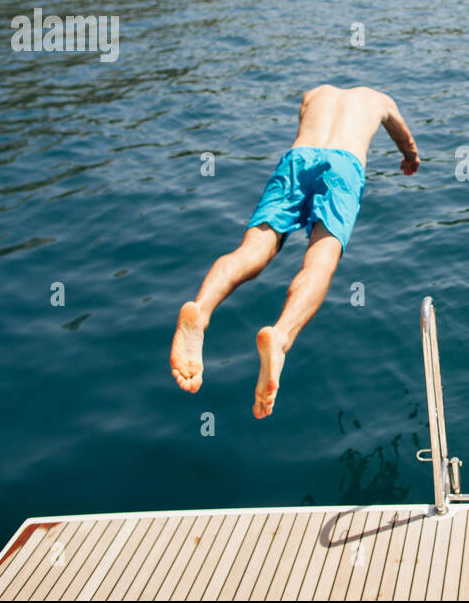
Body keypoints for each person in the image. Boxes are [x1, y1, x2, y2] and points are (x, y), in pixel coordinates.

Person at [170, 85, 420, 418]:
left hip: (296, 159)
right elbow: (406, 141)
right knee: (320, 262)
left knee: (253, 250)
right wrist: (410, 158)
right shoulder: (381, 101)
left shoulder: (313, 95)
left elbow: (307, 128)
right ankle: (281, 336)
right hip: (343, 166)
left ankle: (200, 310)